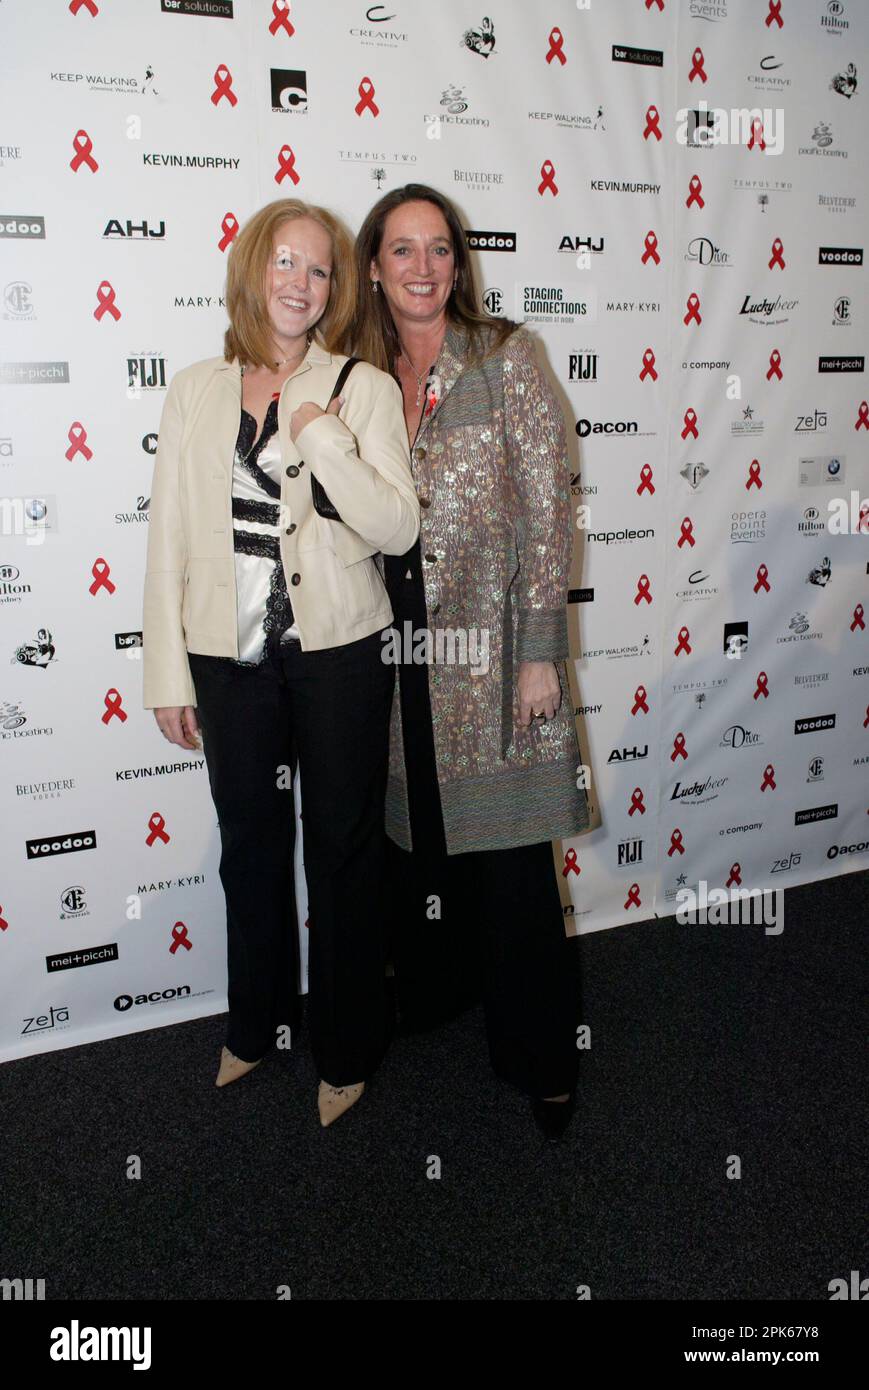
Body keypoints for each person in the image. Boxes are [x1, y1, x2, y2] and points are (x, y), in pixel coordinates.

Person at [142, 198, 420, 1126]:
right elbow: (170, 541)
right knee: (249, 851)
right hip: (230, 662)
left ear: (337, 289)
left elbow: (395, 524)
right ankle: (253, 1027)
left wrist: (316, 432)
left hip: (338, 654)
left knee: (341, 853)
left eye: (320, 270)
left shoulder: (362, 387)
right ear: (254, 270)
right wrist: (168, 676)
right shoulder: (195, 389)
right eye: (285, 263)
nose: (301, 284)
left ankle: (345, 1047)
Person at [349, 184, 589, 1140]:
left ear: (458, 263)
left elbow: (548, 506)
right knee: (419, 846)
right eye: (400, 250)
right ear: (372, 267)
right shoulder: (355, 378)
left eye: (437, 249)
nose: (421, 268)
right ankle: (443, 991)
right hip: (392, 645)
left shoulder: (504, 360)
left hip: (490, 651)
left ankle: (541, 1057)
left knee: (514, 867)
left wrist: (539, 657)